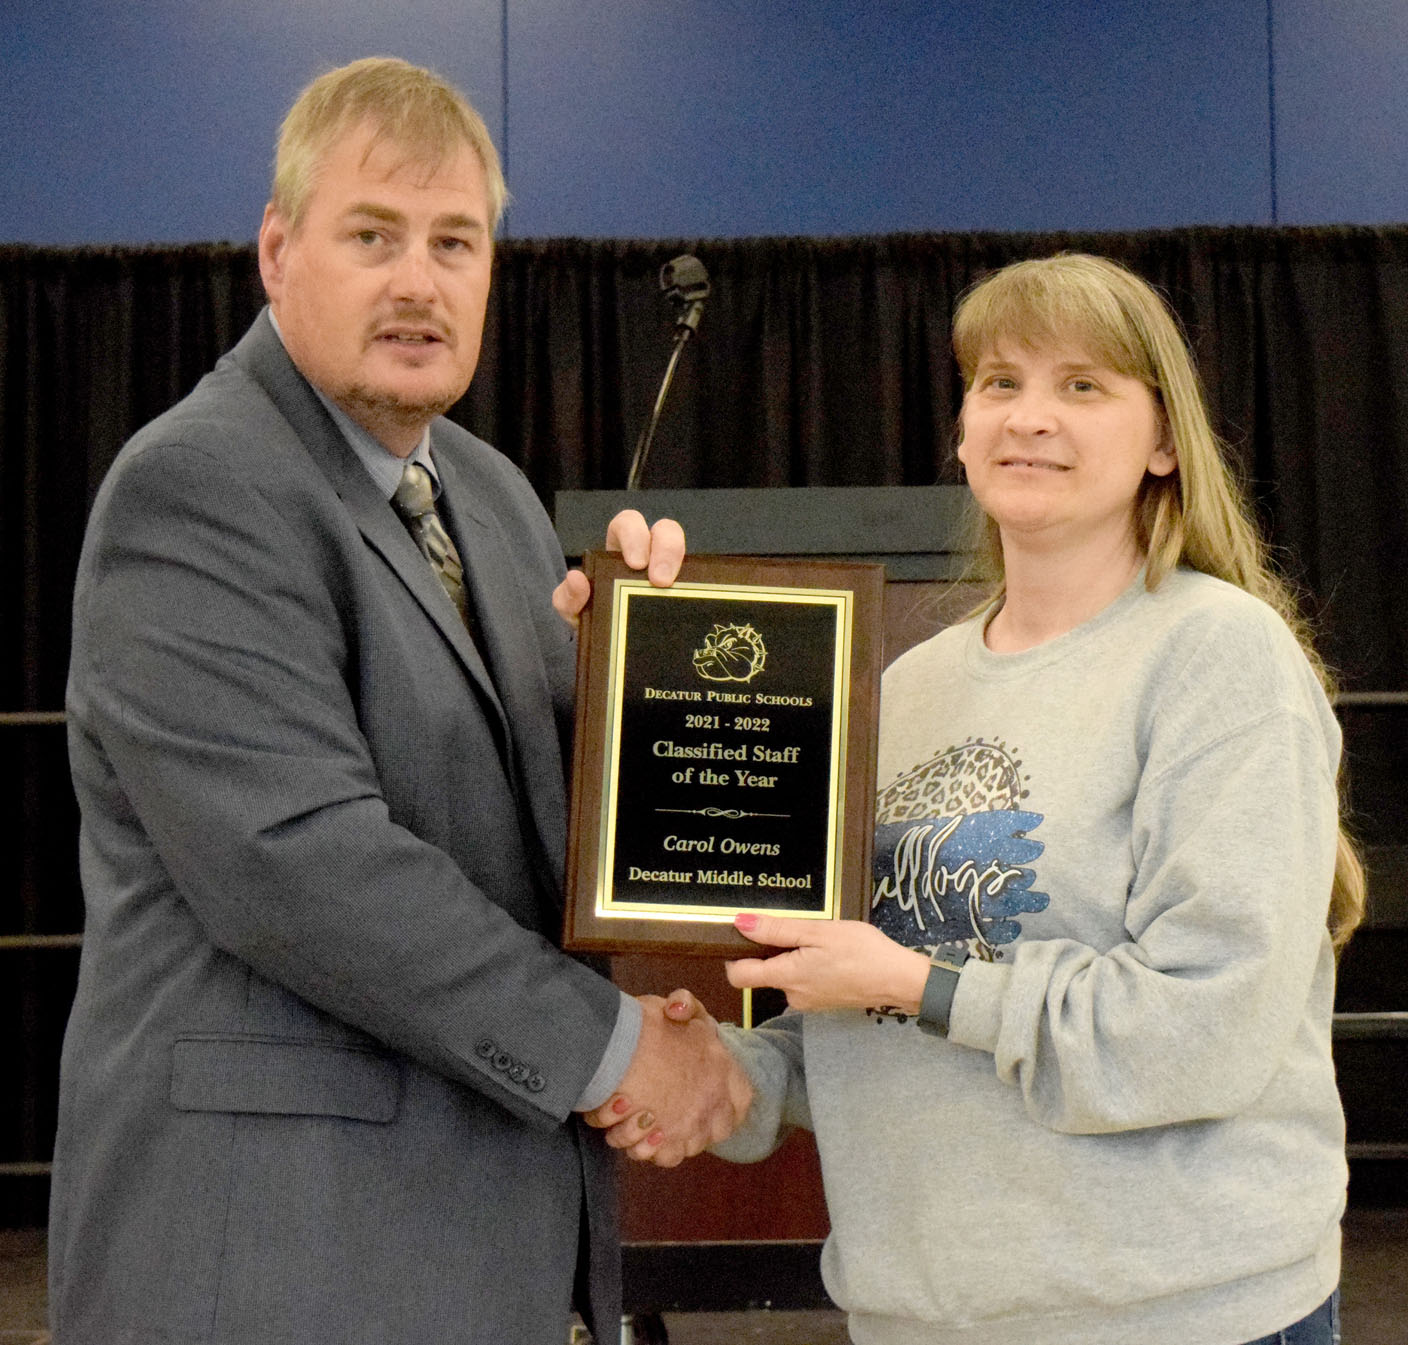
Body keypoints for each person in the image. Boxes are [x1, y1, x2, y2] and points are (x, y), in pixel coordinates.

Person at [50, 56, 748, 1345]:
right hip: (269, 1262)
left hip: (480, 1248)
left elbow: (542, 823)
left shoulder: (485, 491)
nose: (418, 282)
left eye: (454, 241)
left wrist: (661, 670)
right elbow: (302, 863)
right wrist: (618, 1049)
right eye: (372, 236)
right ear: (276, 249)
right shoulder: (198, 487)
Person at [605, 254, 1364, 1345]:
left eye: (1082, 385)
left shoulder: (1219, 657)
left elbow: (1207, 1028)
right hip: (921, 1314)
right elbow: (873, 1015)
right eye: (999, 383)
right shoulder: (905, 689)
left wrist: (919, 982)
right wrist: (726, 1072)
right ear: (962, 430)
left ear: (1161, 441)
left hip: (1177, 1315)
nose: (1029, 416)